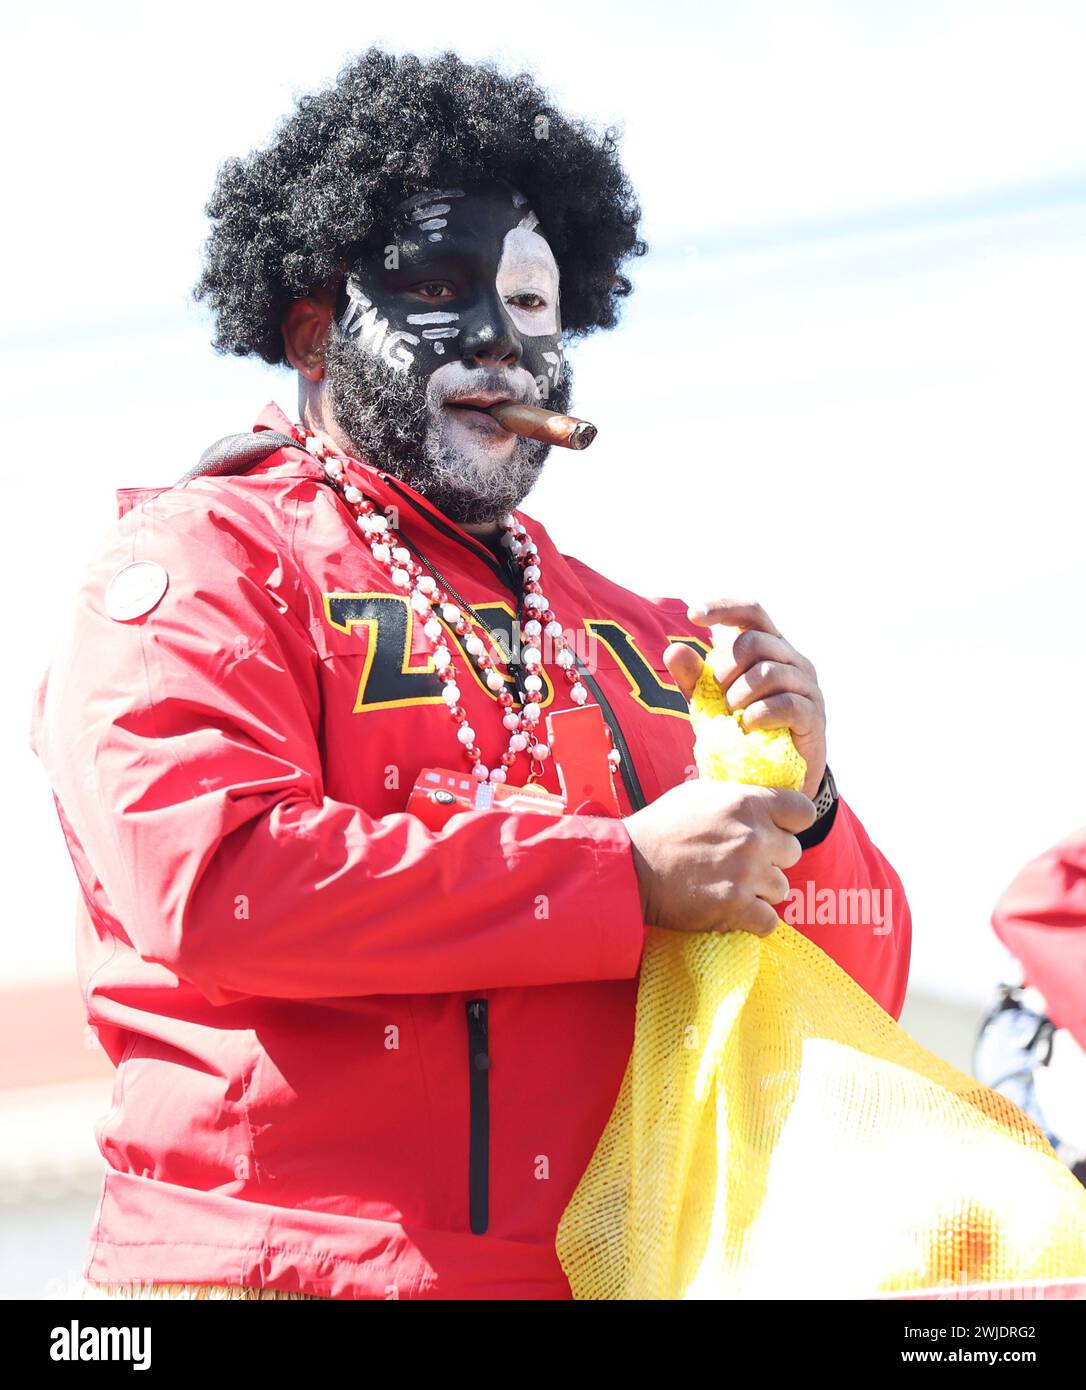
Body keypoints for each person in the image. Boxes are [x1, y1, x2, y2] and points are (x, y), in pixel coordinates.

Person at [29, 47, 910, 1301]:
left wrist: (805, 811)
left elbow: (852, 993)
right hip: (271, 1278)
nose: (499, 341)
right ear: (314, 333)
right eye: (442, 289)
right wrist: (623, 875)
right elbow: (215, 885)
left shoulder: (637, 633)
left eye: (533, 301)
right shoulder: (197, 564)